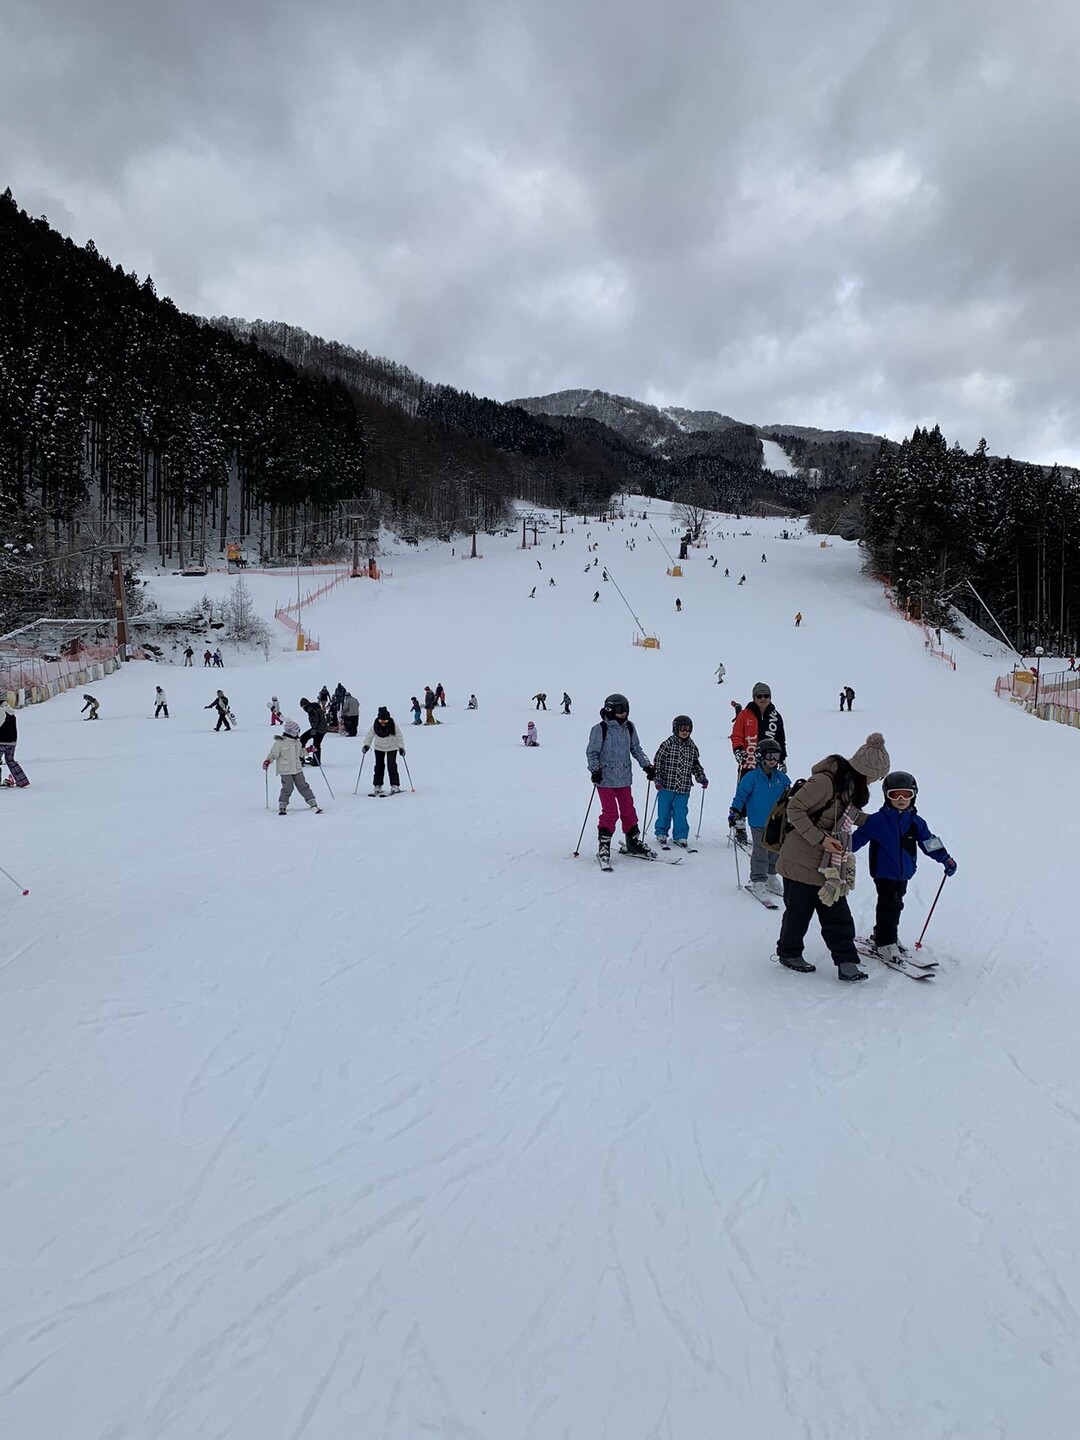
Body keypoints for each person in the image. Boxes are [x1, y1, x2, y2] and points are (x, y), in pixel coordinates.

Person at [774, 732, 891, 982]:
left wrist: (880, 823)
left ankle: (847, 961)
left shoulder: (851, 789)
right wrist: (821, 838)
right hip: (800, 860)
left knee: (837, 914)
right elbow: (795, 809)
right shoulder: (825, 782)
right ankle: (788, 952)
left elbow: (848, 817)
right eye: (876, 775)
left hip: (829, 866)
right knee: (798, 913)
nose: (874, 781)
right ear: (867, 770)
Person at [851, 770, 957, 961]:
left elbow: (929, 843)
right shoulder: (877, 821)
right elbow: (856, 840)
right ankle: (885, 942)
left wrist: (945, 858)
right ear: (886, 796)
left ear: (914, 796)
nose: (901, 799)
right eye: (895, 794)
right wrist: (838, 849)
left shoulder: (916, 822)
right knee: (889, 905)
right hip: (884, 872)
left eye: (906, 794)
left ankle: (884, 934)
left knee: (896, 905)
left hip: (904, 873)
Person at [586, 693, 655, 865]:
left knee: (628, 810)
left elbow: (636, 749)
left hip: (624, 777)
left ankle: (632, 842)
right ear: (610, 710)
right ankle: (604, 845)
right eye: (620, 710)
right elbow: (592, 753)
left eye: (626, 709)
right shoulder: (600, 729)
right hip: (605, 778)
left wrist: (646, 765)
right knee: (610, 812)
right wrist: (595, 770)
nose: (624, 713)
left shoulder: (629, 727)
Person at [728, 737, 789, 897]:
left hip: (777, 821)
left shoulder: (782, 779)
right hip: (759, 821)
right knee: (761, 851)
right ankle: (758, 880)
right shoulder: (751, 777)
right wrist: (734, 811)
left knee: (775, 849)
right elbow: (740, 796)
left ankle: (770, 875)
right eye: (770, 756)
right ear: (760, 756)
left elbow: (789, 797)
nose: (773, 761)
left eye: (776, 757)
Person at [652, 715, 708, 848]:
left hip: (683, 787)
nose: (685, 731)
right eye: (682, 728)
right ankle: (661, 832)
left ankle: (680, 835)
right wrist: (658, 778)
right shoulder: (667, 744)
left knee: (681, 812)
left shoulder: (692, 746)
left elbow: (695, 765)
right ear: (675, 729)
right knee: (664, 811)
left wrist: (701, 777)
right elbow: (658, 762)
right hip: (666, 785)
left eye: (688, 729)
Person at [263, 719, 322, 815]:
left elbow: (301, 753)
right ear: (291, 731)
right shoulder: (280, 743)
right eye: (297, 731)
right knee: (287, 788)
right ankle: (282, 805)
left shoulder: (297, 742)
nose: (298, 732)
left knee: (303, 786)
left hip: (297, 769)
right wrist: (268, 761)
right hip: (285, 770)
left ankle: (312, 802)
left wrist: (309, 749)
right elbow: (273, 754)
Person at [730, 683, 786, 774]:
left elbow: (781, 741)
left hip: (770, 764)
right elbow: (736, 735)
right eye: (759, 696)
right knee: (747, 787)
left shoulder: (775, 717)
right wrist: (738, 750)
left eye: (766, 696)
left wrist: (782, 760)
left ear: (770, 698)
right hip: (749, 763)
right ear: (754, 698)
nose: (763, 698)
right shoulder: (744, 714)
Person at [362, 706, 406, 794]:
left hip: (392, 747)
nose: (383, 723)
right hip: (379, 747)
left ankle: (395, 785)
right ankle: (377, 785)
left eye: (385, 721)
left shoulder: (393, 725)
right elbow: (369, 735)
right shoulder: (375, 725)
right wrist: (366, 745)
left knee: (392, 766)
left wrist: (401, 747)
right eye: (381, 721)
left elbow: (399, 736)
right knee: (379, 766)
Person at [0, 694, 30, 787]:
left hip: (1, 741)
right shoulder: (11, 712)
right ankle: (22, 780)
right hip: (12, 742)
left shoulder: (1, 712)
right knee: (10, 760)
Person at [299, 696, 328, 763]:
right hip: (322, 728)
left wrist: (314, 728)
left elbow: (316, 719)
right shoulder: (314, 707)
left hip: (318, 729)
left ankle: (301, 757)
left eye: (302, 707)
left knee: (303, 739)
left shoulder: (311, 709)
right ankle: (316, 760)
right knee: (316, 744)